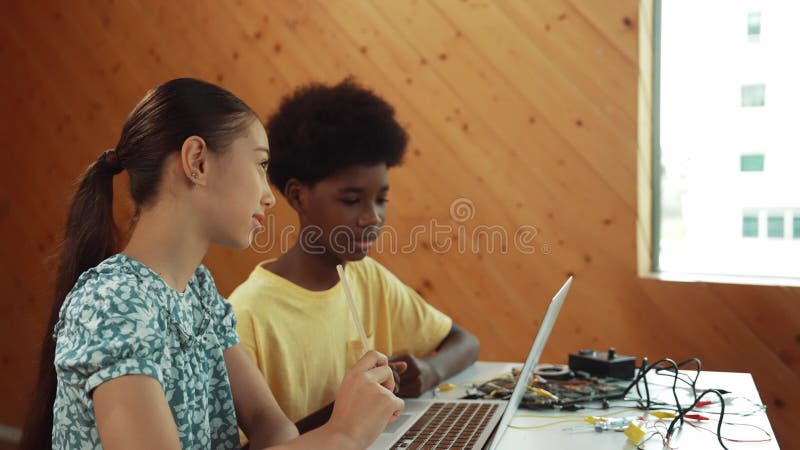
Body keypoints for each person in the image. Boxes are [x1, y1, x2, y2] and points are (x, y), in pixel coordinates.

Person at [20, 78, 403, 450]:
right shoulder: (113, 304)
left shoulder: (198, 291)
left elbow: (271, 425)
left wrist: (346, 425)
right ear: (197, 161)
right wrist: (343, 434)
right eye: (260, 164)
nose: (269, 197)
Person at [228, 79, 480, 432]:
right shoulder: (247, 316)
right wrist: (348, 410)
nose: (372, 217)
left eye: (381, 199)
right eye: (351, 200)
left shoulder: (368, 278)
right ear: (298, 197)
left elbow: (466, 343)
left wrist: (429, 371)